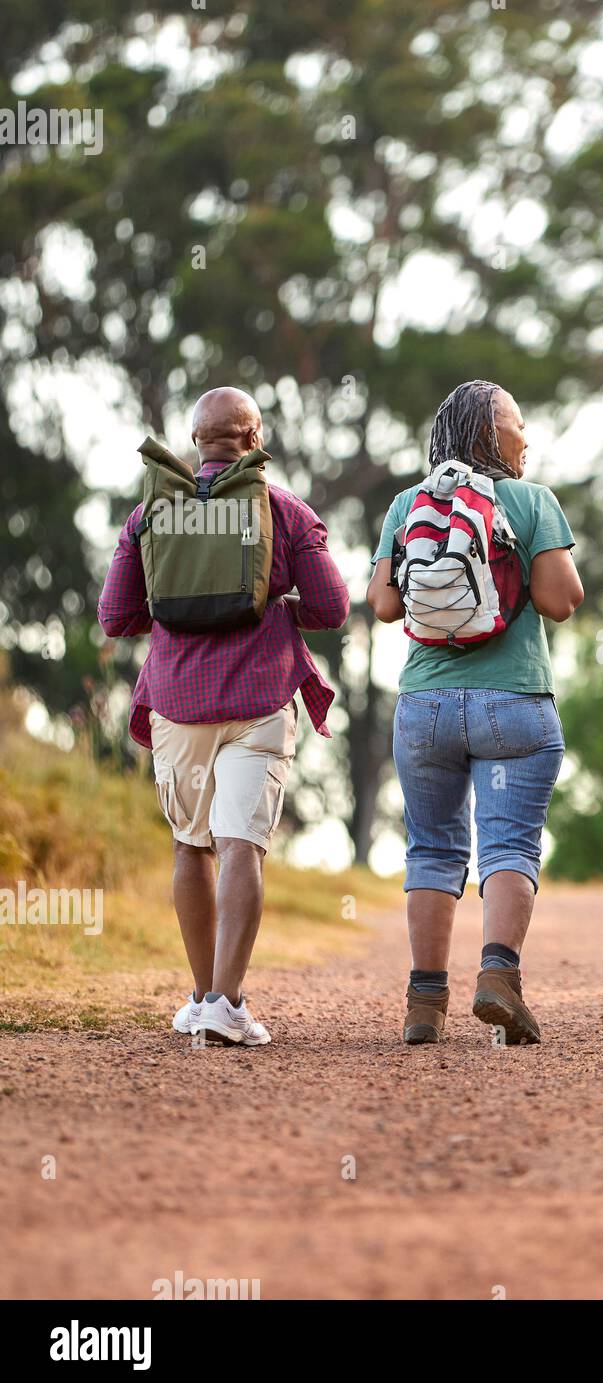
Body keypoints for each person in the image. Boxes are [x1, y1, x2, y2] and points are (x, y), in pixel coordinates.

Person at [98, 387, 349, 1045]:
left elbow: (115, 617)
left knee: (191, 844)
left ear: (196, 442)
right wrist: (276, 605)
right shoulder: (285, 512)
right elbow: (333, 607)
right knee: (242, 844)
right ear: (254, 439)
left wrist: (176, 609)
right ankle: (226, 1003)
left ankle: (202, 994)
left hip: (178, 706)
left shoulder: (150, 516)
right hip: (260, 704)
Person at [368, 380, 583, 1046]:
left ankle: (424, 1004)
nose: (527, 437)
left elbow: (382, 605)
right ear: (491, 433)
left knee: (432, 850)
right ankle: (498, 977)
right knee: (509, 846)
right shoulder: (532, 501)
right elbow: (562, 601)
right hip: (513, 702)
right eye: (518, 424)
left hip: (426, 705)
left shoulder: (409, 503)